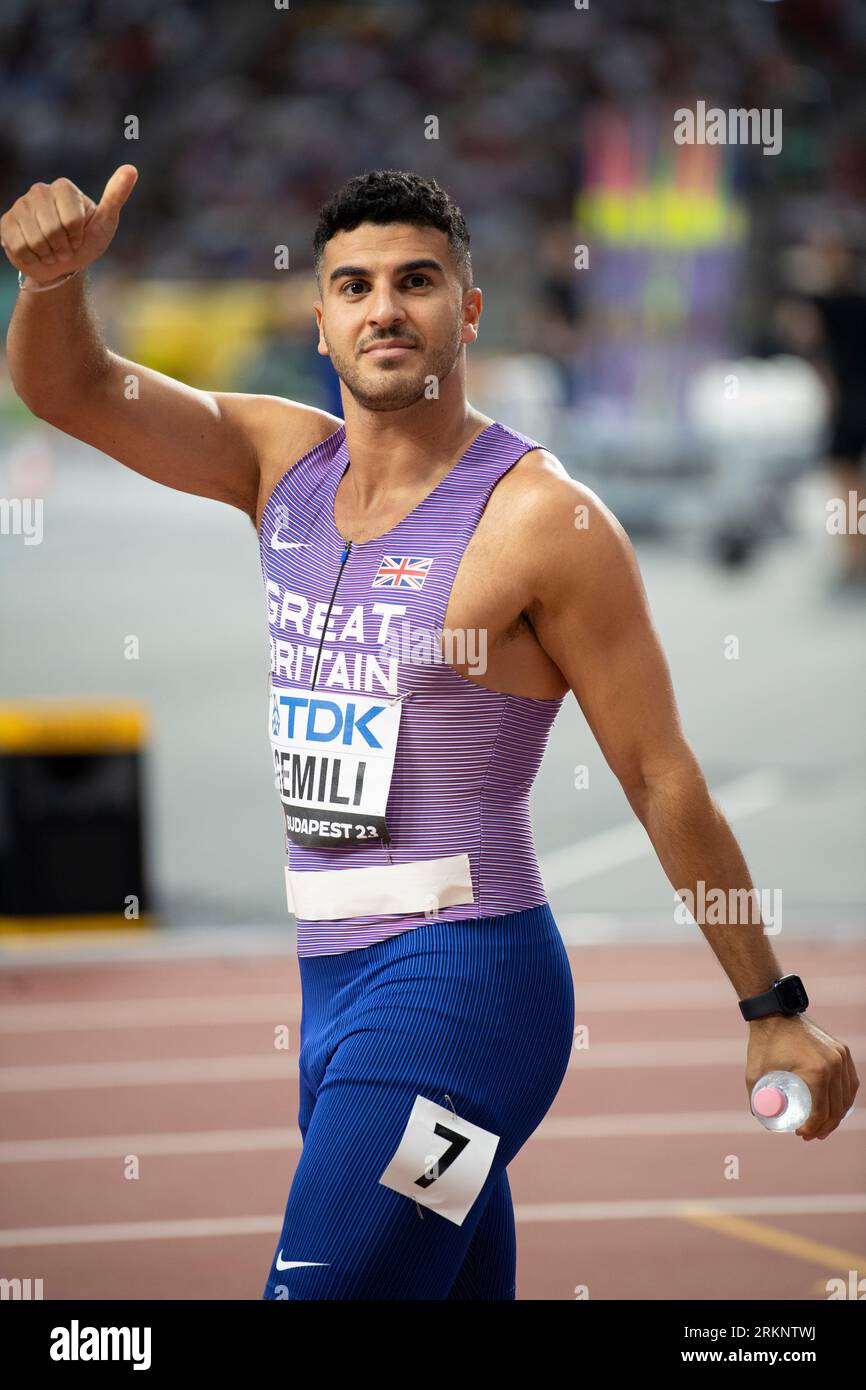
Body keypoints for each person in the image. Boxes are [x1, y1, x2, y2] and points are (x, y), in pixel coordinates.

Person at [3, 166, 858, 1301]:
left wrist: (770, 1007)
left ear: (468, 310)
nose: (382, 307)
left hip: (463, 992)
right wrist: (54, 283)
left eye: (415, 280)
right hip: (330, 988)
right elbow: (75, 390)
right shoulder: (277, 463)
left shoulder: (542, 521)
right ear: (318, 321)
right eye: (351, 286)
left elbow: (657, 777)